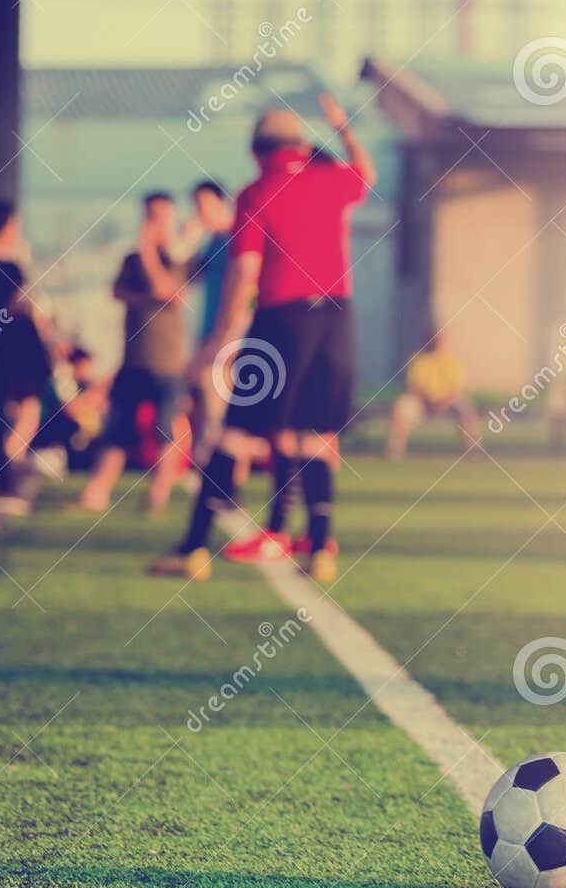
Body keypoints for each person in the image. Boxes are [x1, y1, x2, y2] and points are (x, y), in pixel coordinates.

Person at [155, 94, 374, 583]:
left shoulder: (256, 193)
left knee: (236, 432)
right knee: (315, 435)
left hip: (282, 319)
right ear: (301, 143)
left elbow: (245, 274)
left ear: (257, 151)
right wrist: (344, 129)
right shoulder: (332, 179)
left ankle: (193, 549)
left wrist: (218, 339)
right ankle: (320, 549)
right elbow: (366, 173)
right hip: (337, 316)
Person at [73, 192, 191, 513]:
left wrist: (148, 250)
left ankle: (158, 494)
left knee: (166, 430)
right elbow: (118, 292)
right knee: (117, 429)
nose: (154, 224)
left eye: (161, 217)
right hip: (133, 359)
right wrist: (144, 290)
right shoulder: (132, 260)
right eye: (150, 216)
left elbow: (165, 290)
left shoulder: (179, 258)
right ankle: (98, 490)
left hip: (167, 362)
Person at [0, 199, 50, 514]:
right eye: (13, 225)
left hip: (14, 353)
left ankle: (3, 470)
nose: (16, 231)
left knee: (14, 411)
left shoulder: (2, 266)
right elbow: (3, 310)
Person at [187, 179, 234, 457]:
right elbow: (187, 279)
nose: (199, 212)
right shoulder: (211, 243)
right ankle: (209, 476)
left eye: (204, 205)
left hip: (229, 338)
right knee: (206, 406)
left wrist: (224, 337)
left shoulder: (236, 239)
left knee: (220, 410)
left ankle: (221, 484)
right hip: (209, 335)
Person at [384, 333, 481, 460]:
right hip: (422, 403)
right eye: (434, 339)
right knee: (403, 406)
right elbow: (414, 387)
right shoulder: (419, 359)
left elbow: (456, 389)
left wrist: (443, 402)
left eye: (439, 340)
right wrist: (428, 401)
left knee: (466, 408)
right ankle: (394, 452)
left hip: (447, 403)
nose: (437, 342)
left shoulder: (450, 361)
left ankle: (474, 452)